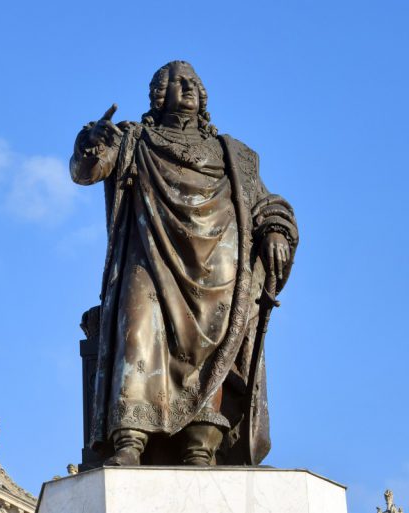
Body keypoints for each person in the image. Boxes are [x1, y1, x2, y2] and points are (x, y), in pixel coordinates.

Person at [70, 60, 298, 466]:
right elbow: (87, 172)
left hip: (220, 269)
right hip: (150, 255)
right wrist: (91, 141)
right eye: (176, 81)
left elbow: (266, 203)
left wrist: (278, 230)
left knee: (215, 344)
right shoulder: (134, 141)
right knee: (137, 332)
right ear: (159, 93)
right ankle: (130, 440)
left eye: (193, 80)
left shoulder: (236, 154)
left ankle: (201, 444)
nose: (187, 86)